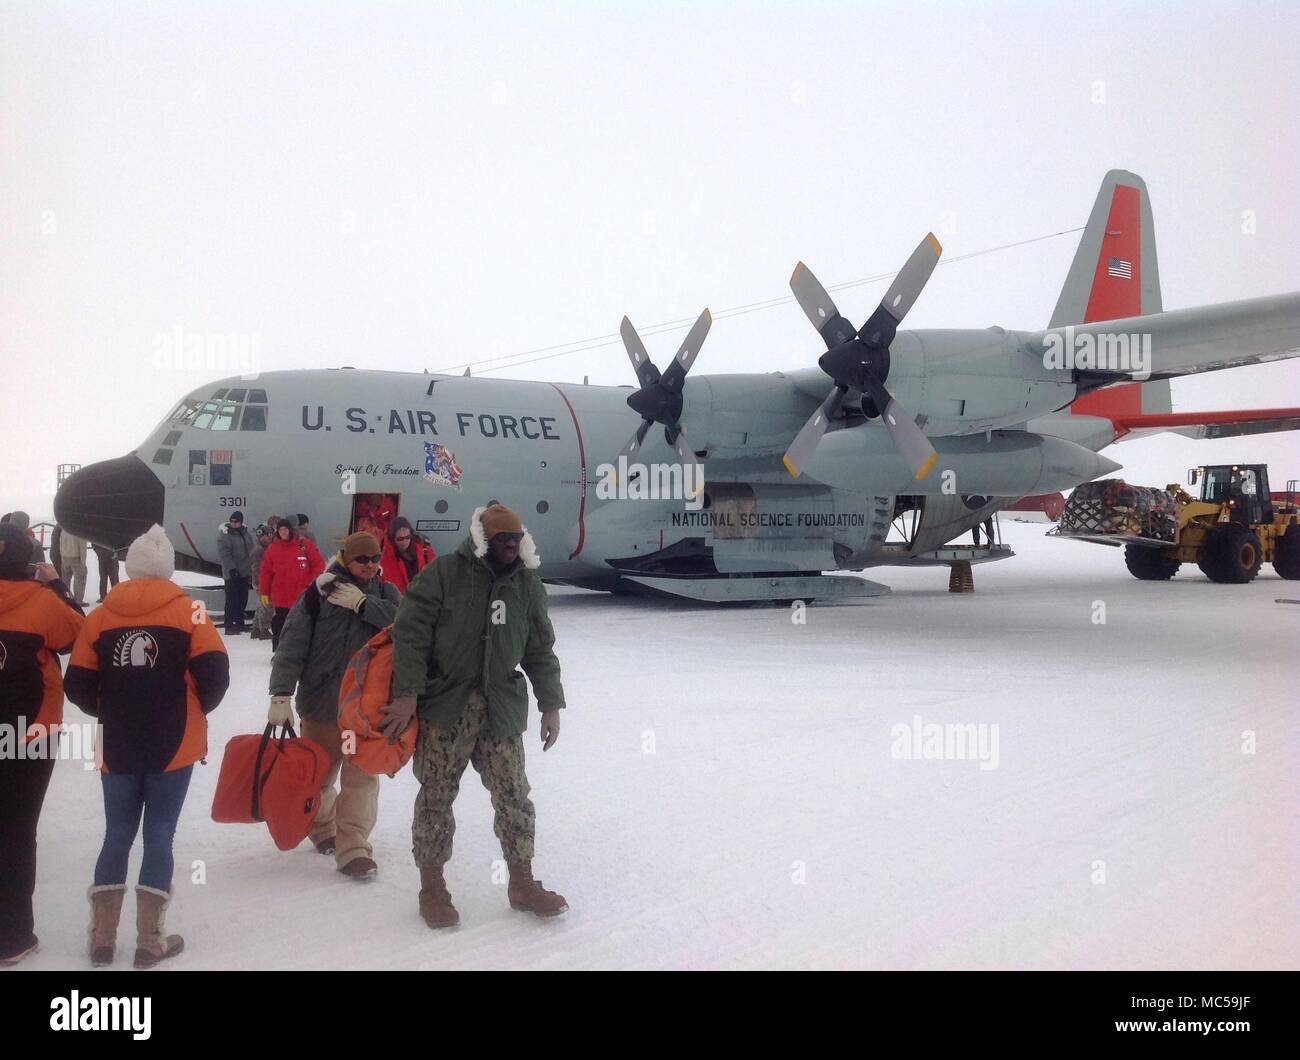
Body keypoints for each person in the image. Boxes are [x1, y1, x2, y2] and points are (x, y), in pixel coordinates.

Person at [384, 504, 568, 929]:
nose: (510, 545)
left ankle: (521, 882)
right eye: (502, 539)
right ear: (483, 540)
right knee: (436, 797)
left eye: (516, 539)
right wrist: (409, 693)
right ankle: (432, 888)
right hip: (447, 708)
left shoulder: (526, 584)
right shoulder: (445, 574)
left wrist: (551, 703)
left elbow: (540, 649)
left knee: (514, 797)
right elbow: (409, 635)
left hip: (501, 708)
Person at [64, 525, 229, 968]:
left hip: (117, 740)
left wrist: (111, 707)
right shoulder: (191, 612)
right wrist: (192, 707)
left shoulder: (101, 615)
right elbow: (215, 675)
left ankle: (102, 938)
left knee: (116, 833)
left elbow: (77, 682)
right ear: (167, 569)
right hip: (174, 742)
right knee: (160, 834)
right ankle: (149, 940)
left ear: (130, 567)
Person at [268, 532, 401, 877]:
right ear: (346, 559)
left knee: (361, 782)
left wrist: (362, 605)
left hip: (366, 711)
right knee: (318, 778)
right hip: (322, 705)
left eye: (374, 559)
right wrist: (281, 693)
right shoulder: (318, 594)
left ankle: (354, 848)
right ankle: (323, 828)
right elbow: (292, 644)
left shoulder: (387, 594)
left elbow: (409, 628)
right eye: (361, 560)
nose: (369, 566)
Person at [0, 524, 84, 965]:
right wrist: (55, 584)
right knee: (15, 830)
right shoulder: (41, 602)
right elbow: (80, 636)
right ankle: (12, 936)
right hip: (29, 733)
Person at [258, 518, 325, 650]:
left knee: (302, 625)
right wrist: (264, 592)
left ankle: (301, 652)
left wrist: (311, 584)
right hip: (281, 598)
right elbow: (266, 573)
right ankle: (279, 652)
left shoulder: (304, 545)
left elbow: (319, 565)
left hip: (301, 596)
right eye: (280, 530)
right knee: (280, 625)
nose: (283, 532)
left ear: (290, 530)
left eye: (285, 529)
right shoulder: (273, 549)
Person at [216, 511, 255, 636]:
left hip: (244, 572)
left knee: (242, 599)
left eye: (236, 521)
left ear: (241, 522)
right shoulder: (225, 535)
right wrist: (232, 569)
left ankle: (239, 622)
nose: (234, 523)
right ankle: (229, 625)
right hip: (232, 574)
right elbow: (225, 554)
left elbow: (251, 550)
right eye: (232, 521)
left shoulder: (245, 533)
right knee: (232, 600)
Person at [379, 516, 436, 595]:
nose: (404, 541)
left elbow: (436, 576)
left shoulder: (425, 551)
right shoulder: (384, 558)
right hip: (399, 603)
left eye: (407, 537)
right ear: (393, 539)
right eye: (400, 539)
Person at [249, 523, 275, 640]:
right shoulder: (259, 550)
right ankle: (264, 630)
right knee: (267, 606)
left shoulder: (263, 548)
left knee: (261, 606)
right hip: (262, 582)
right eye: (268, 535)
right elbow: (257, 568)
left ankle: (255, 629)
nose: (270, 538)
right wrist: (262, 584)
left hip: (262, 581)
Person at [58, 526, 89, 605]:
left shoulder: (64, 530)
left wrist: (62, 557)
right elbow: (82, 548)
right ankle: (78, 601)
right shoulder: (78, 531)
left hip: (65, 558)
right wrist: (83, 562)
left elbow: (60, 544)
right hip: (76, 558)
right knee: (80, 580)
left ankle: (66, 599)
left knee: (65, 581)